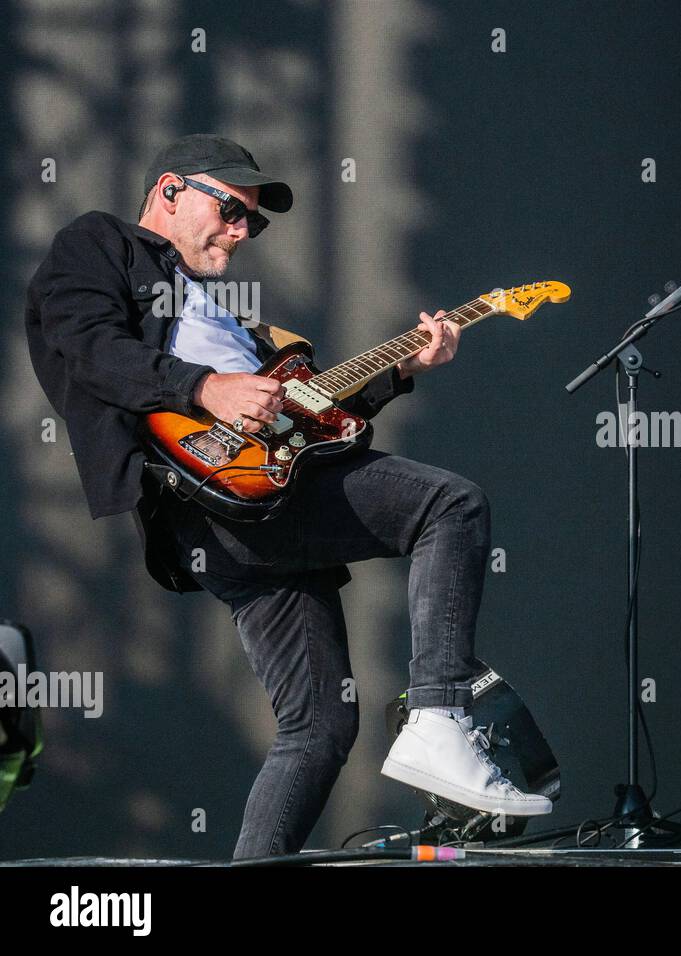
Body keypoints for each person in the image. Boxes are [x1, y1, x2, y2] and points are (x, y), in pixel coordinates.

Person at [25, 133, 551, 859]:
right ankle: (438, 715)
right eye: (231, 210)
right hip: (209, 494)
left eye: (254, 221)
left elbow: (306, 412)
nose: (242, 231)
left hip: (254, 509)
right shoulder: (98, 243)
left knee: (319, 728)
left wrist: (402, 370)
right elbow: (87, 347)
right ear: (170, 190)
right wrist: (206, 388)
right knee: (449, 505)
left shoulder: (226, 319)